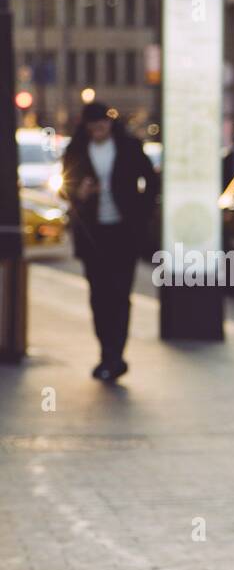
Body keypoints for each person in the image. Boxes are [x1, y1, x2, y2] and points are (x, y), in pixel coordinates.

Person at [60, 102, 158, 382]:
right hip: (93, 234)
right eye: (93, 127)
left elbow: (150, 180)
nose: (99, 131)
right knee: (98, 295)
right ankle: (106, 351)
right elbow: (65, 188)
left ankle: (116, 353)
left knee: (120, 294)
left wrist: (142, 210)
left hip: (123, 231)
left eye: (103, 125)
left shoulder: (128, 146)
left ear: (111, 124)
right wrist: (80, 192)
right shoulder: (76, 150)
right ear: (86, 127)